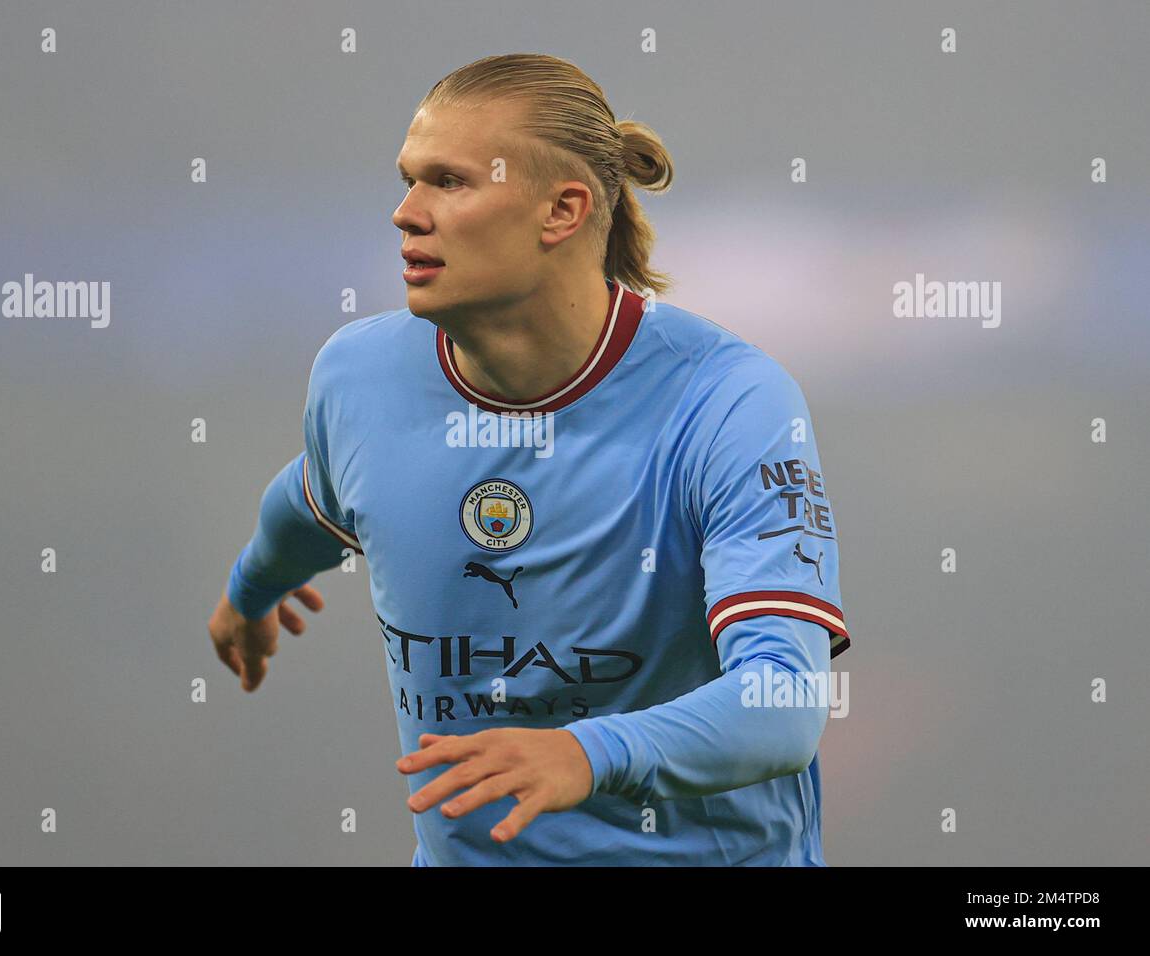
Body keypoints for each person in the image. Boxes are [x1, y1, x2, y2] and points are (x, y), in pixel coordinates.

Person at [207, 52, 851, 865]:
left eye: (449, 181)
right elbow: (310, 499)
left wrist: (588, 753)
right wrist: (252, 587)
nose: (406, 213)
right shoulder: (359, 377)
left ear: (563, 211)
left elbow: (783, 703)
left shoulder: (730, 404)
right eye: (408, 180)